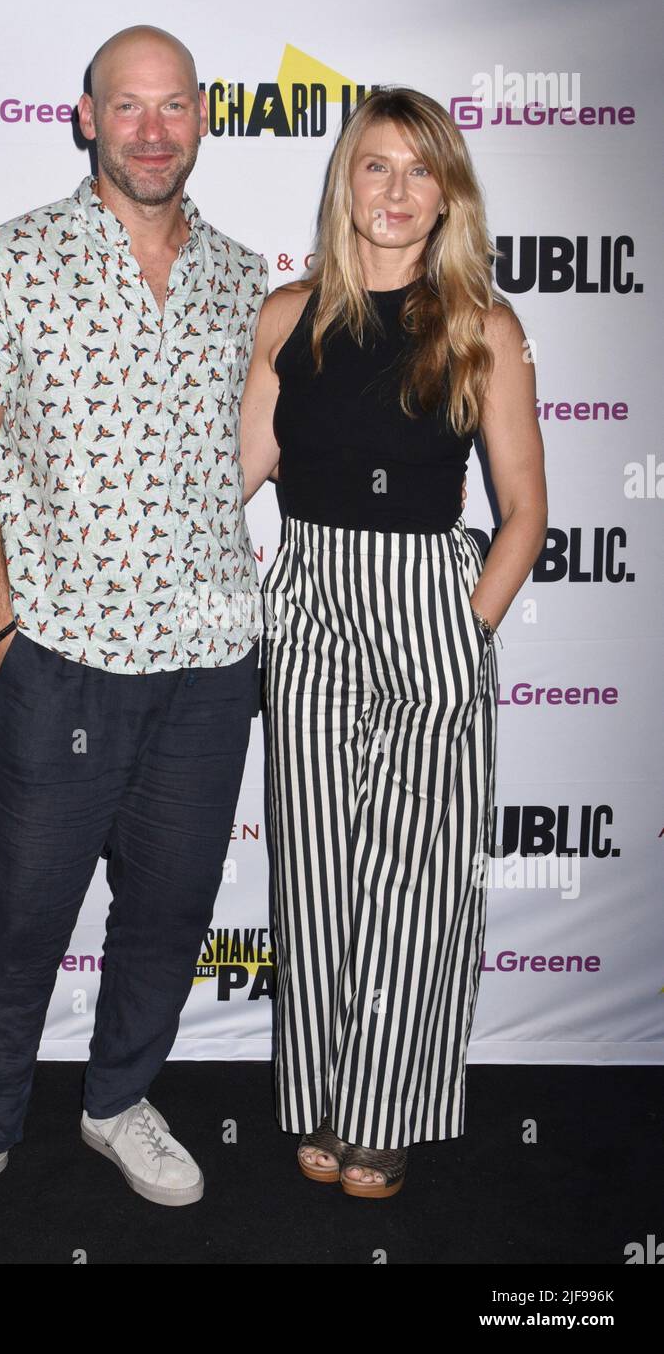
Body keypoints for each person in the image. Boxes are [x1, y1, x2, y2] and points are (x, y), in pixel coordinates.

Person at [0, 25, 268, 1243]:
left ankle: (121, 1100)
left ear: (204, 119)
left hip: (207, 664)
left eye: (175, 106)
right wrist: (6, 638)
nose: (153, 129)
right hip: (57, 668)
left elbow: (244, 456)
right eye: (127, 106)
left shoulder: (246, 280)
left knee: (167, 910)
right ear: (85, 118)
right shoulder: (8, 264)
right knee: (15, 915)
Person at [240, 86, 547, 1198]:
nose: (397, 191)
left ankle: (385, 1112)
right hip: (310, 597)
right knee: (316, 871)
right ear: (344, 180)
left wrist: (457, 632)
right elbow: (238, 477)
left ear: (446, 191)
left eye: (420, 170)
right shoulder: (287, 316)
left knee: (414, 881)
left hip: (428, 596)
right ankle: (323, 1096)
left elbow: (523, 511)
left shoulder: (480, 325)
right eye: (376, 166)